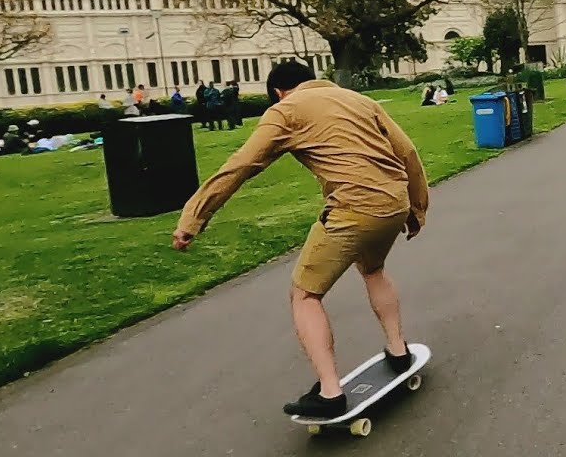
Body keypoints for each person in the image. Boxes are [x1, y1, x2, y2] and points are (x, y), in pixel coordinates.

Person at [170, 60, 428, 419]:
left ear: (277, 91)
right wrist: (417, 207)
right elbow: (408, 152)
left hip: (353, 208)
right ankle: (398, 351)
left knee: (304, 295)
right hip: (393, 202)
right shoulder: (358, 100)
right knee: (373, 269)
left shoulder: (285, 110)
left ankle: (330, 392)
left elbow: (242, 164)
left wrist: (192, 218)